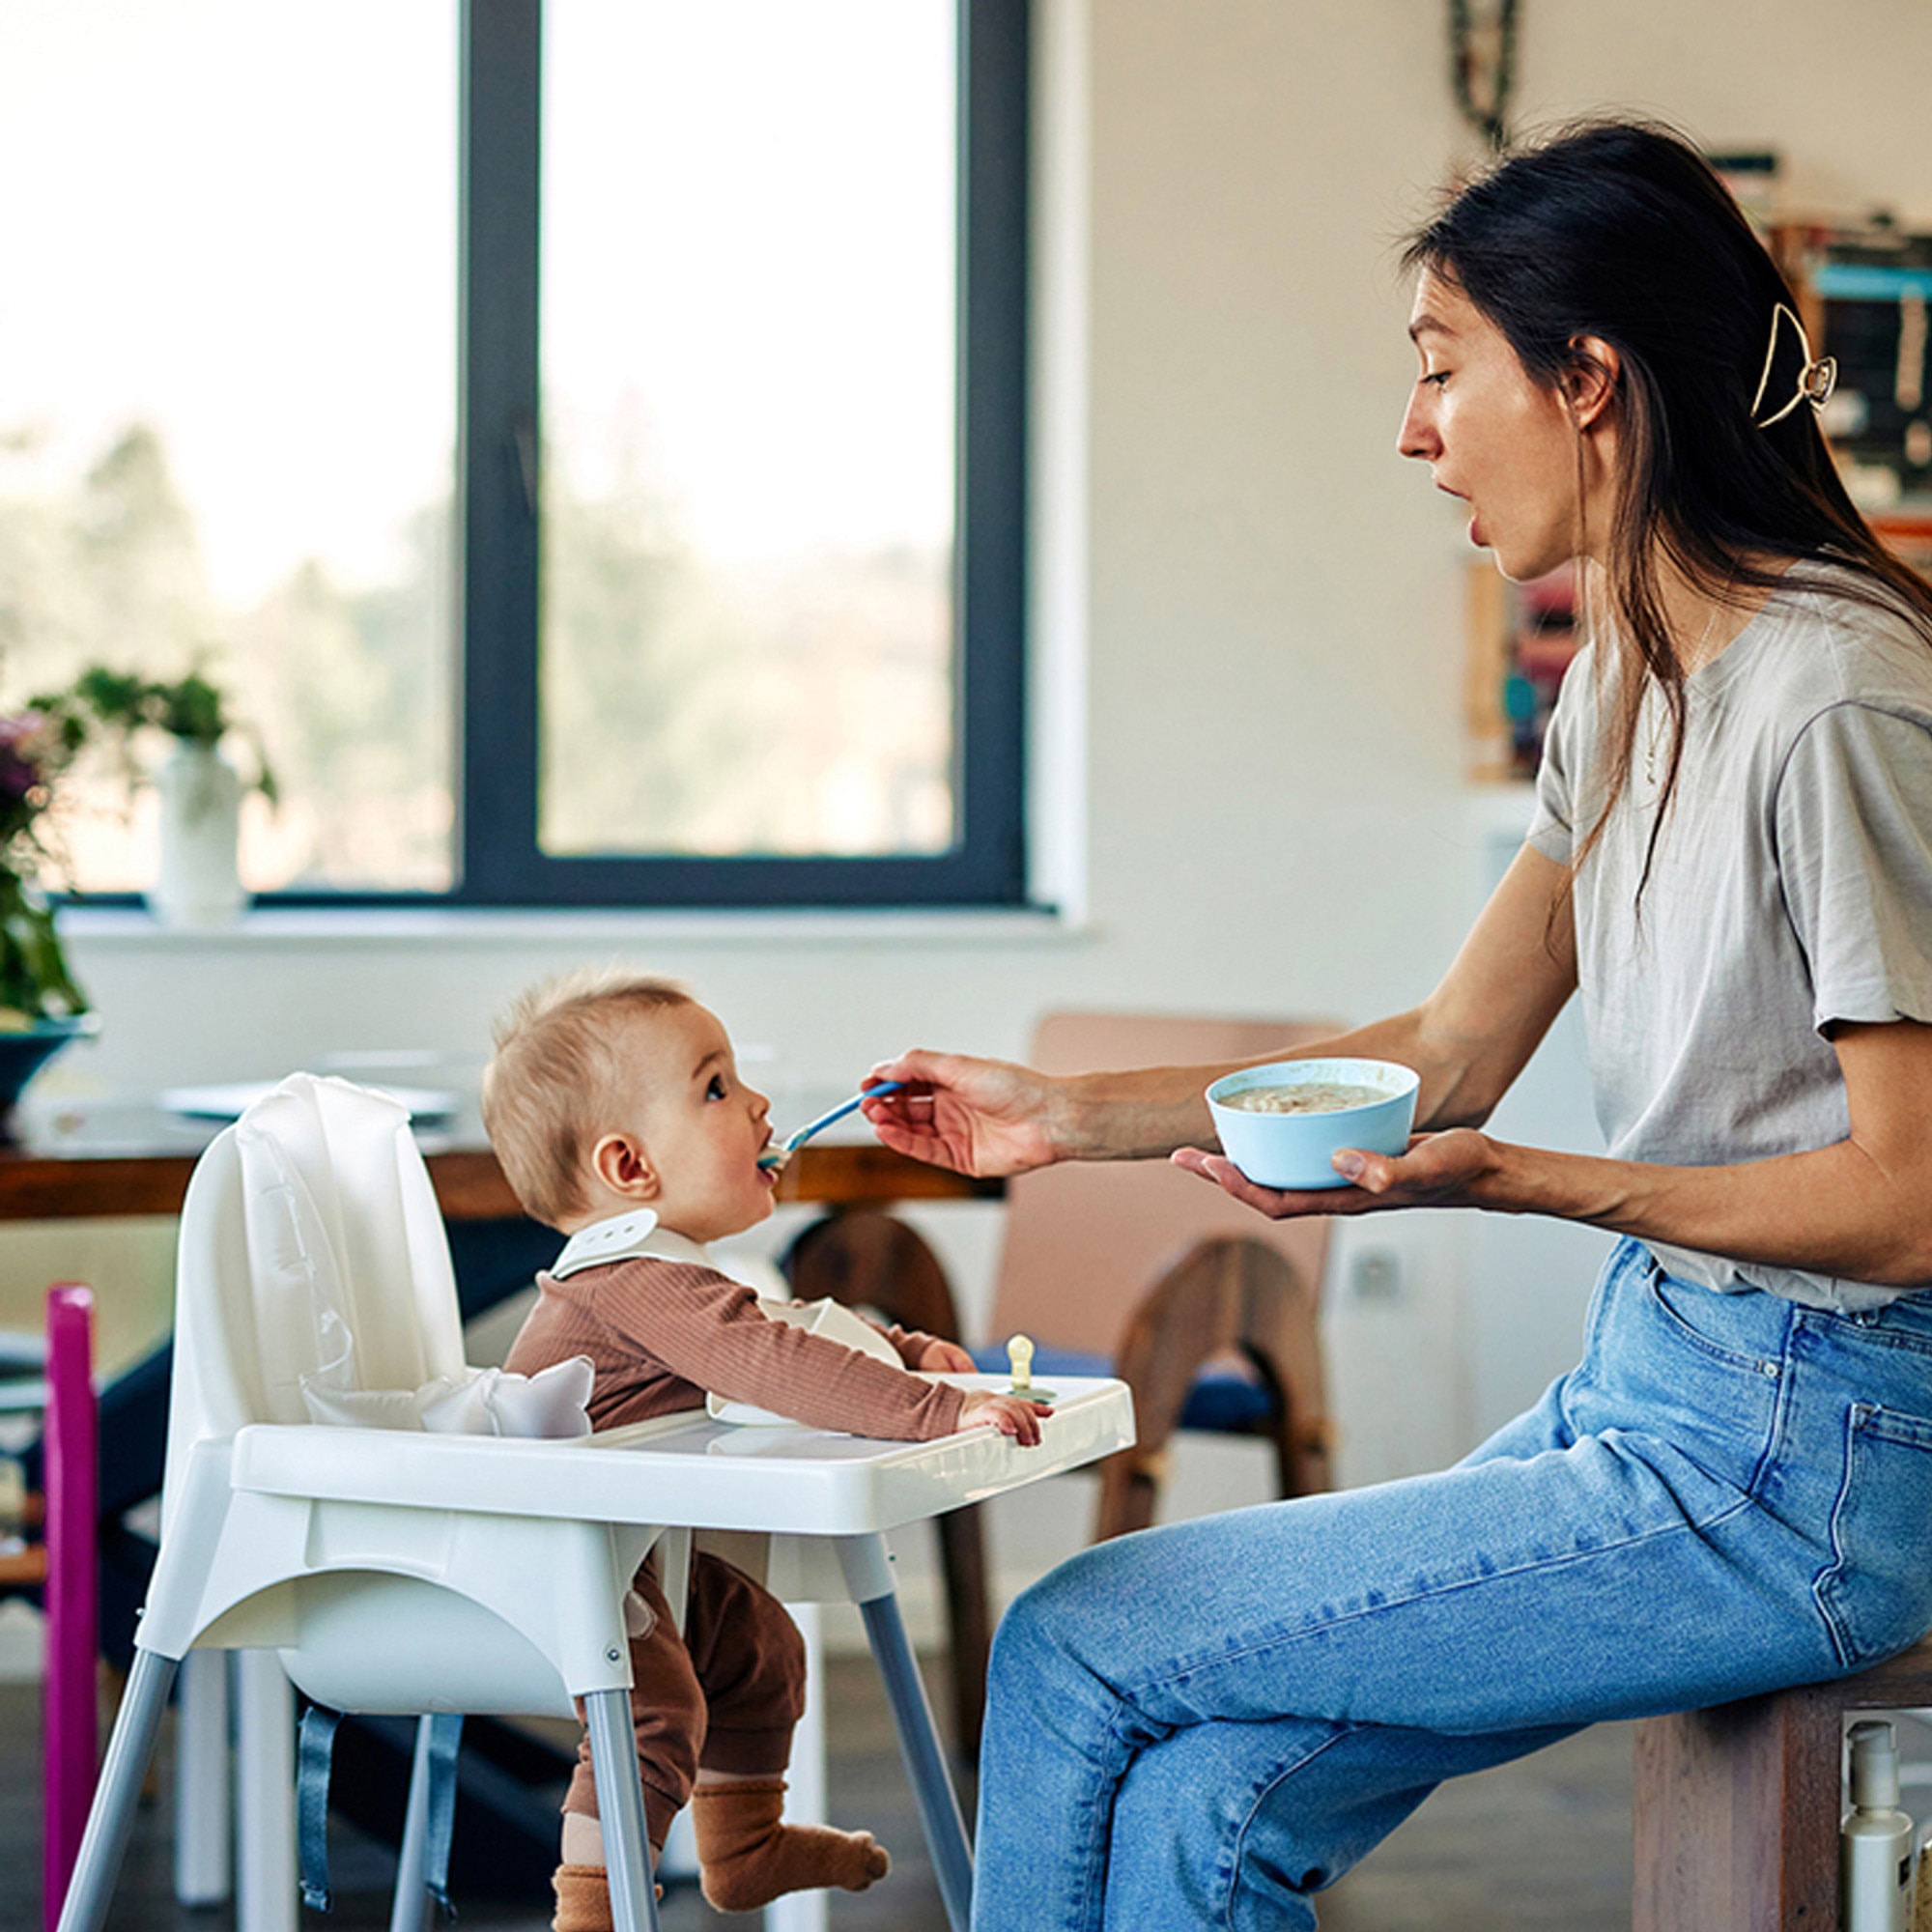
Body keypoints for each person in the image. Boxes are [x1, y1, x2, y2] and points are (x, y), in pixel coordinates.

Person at [860, 119, 1932, 1930]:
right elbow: (1445, 1049)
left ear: (1589, 380)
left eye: (1443, 369)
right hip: (1659, 1388)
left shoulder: (1837, 699)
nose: (1415, 431)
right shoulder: (1628, 680)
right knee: (1204, 1798)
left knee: (1076, 1643)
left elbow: (1907, 1204)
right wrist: (1064, 1114)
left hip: (1801, 1466)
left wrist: (1533, 1186)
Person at [481, 969, 1047, 1931]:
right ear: (628, 1167)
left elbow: (779, 1323)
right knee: (653, 1707)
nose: (757, 1104)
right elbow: (766, 1357)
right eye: (713, 1086)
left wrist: (905, 1350)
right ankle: (590, 1907)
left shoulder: (670, 1270)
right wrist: (928, 1409)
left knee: (758, 1641)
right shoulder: (628, 1278)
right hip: (545, 1555)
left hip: (632, 1546)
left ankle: (741, 1842)